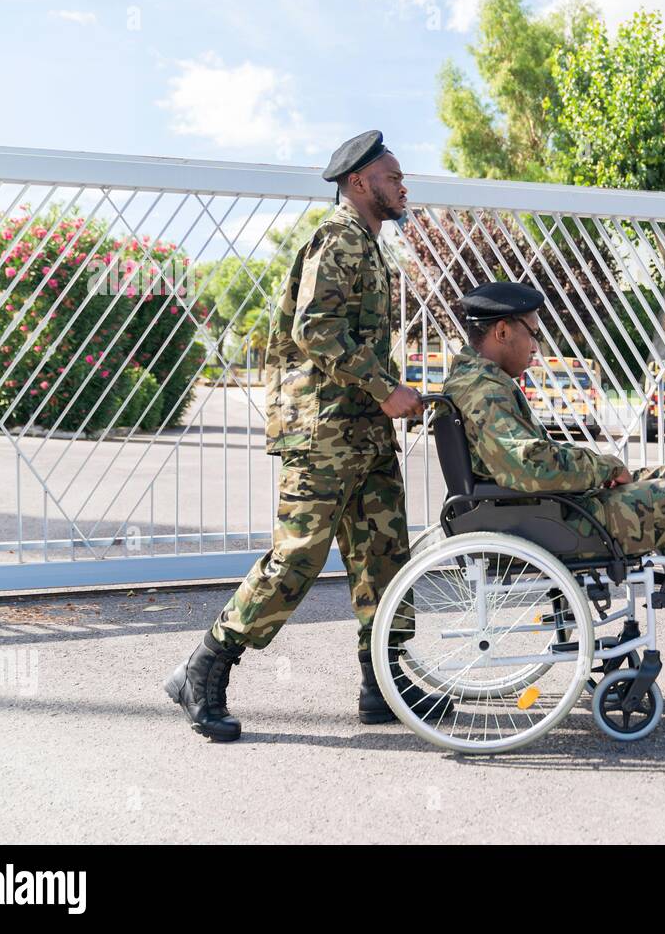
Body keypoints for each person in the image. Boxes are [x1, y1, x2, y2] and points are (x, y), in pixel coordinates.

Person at [163, 130, 451, 742]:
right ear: (357, 182)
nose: (403, 187)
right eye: (393, 177)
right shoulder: (337, 238)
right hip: (322, 431)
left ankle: (385, 687)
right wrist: (384, 390)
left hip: (363, 432)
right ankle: (202, 670)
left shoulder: (373, 248)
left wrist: (392, 397)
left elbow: (355, 340)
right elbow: (314, 329)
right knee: (297, 556)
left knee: (384, 557)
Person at [441, 281, 665, 694]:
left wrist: (598, 471)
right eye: (533, 332)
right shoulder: (484, 390)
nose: (536, 345)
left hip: (543, 511)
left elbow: (522, 462)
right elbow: (527, 465)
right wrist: (600, 467)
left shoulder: (477, 380)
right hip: (554, 519)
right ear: (502, 331)